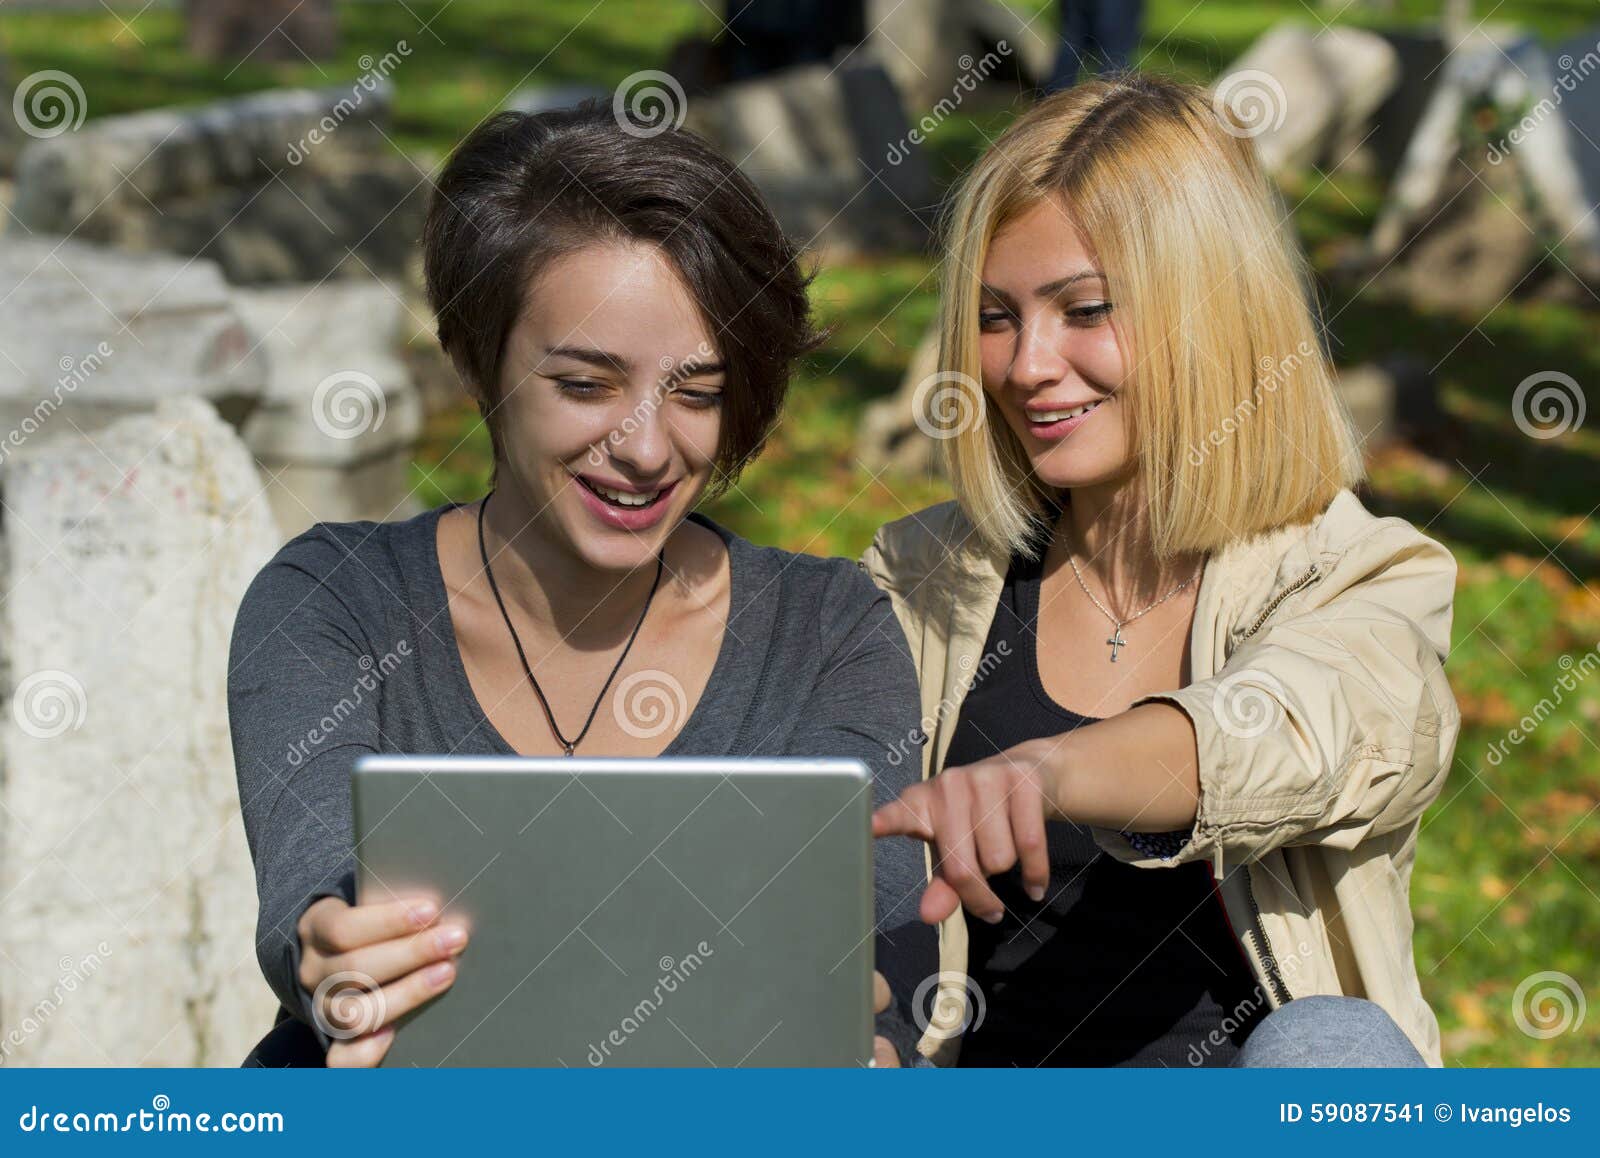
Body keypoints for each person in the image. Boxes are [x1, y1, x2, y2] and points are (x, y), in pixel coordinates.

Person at [229, 101, 932, 1067]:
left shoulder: (831, 632)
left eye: (697, 392)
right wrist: (332, 946)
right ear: (479, 363)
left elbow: (881, 944)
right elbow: (307, 895)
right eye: (586, 384)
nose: (646, 448)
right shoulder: (332, 601)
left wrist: (875, 1050)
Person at [866, 73, 1459, 1068]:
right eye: (996, 315)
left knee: (1335, 1048)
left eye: (1084, 310)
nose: (1024, 366)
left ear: (1213, 312)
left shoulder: (1362, 577)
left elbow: (1295, 729)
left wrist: (1046, 770)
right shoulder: (923, 578)